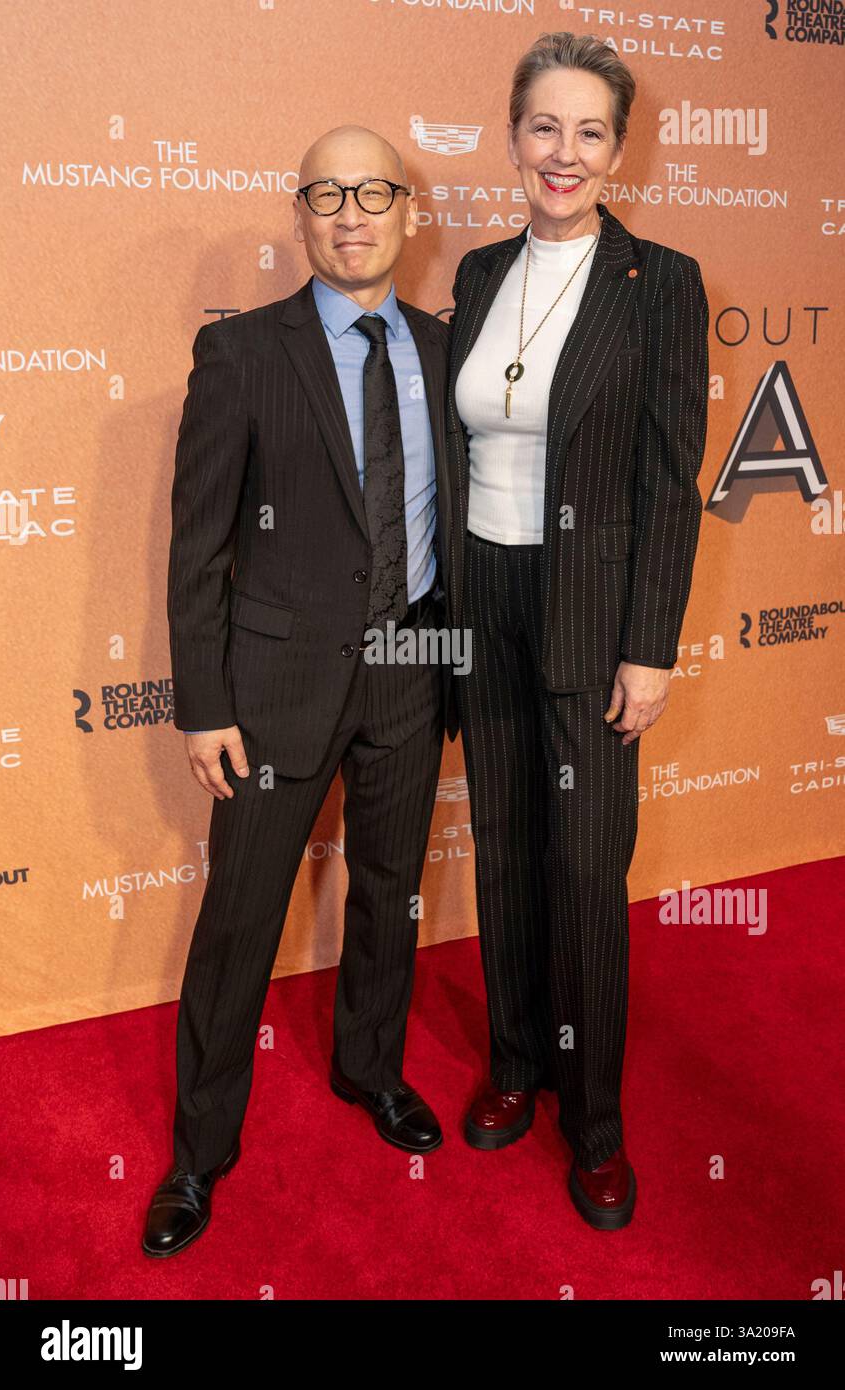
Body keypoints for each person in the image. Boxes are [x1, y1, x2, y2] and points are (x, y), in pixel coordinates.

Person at [143, 125, 456, 1259]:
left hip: (412, 672)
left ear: (406, 214)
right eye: (326, 192)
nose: (351, 211)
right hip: (271, 687)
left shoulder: (439, 349)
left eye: (374, 190)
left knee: (388, 893)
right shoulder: (242, 356)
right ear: (301, 215)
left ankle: (371, 1071)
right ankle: (196, 1154)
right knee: (241, 922)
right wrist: (202, 701)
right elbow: (198, 548)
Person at [446, 32, 710, 1229]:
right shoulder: (475, 270)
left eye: (588, 131)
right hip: (481, 601)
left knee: (584, 866)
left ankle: (593, 1126)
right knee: (501, 839)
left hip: (591, 614)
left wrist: (648, 645)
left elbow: (667, 481)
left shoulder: (658, 282)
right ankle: (515, 1065)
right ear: (513, 137)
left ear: (616, 148)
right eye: (543, 127)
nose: (563, 153)